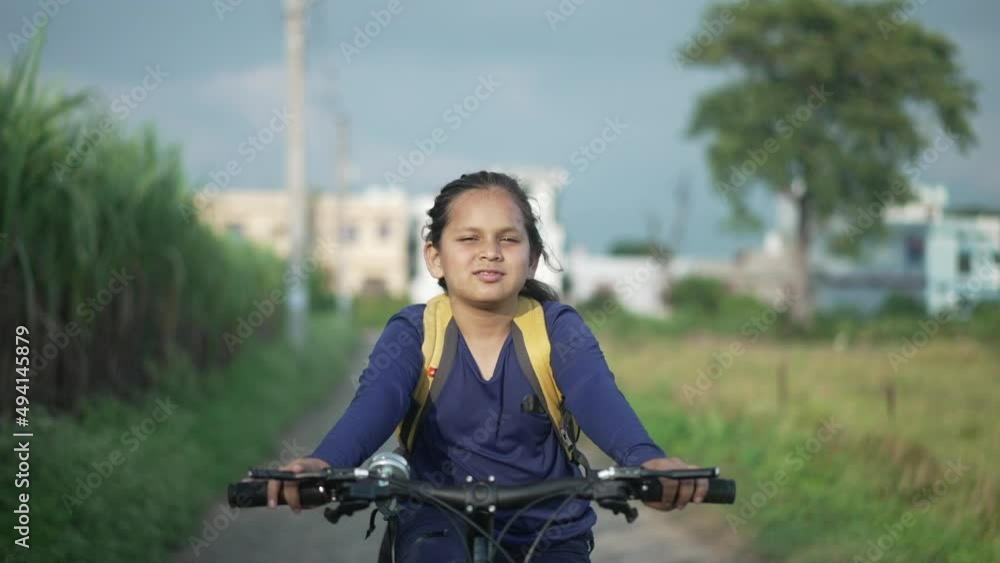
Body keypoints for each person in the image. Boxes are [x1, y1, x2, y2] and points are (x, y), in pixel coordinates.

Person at [267, 171, 709, 562]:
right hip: (434, 518)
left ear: (532, 257)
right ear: (435, 257)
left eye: (508, 239)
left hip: (548, 527)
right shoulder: (413, 331)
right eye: (469, 238)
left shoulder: (558, 329)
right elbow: (376, 403)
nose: (490, 252)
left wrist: (648, 462)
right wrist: (325, 462)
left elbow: (600, 399)